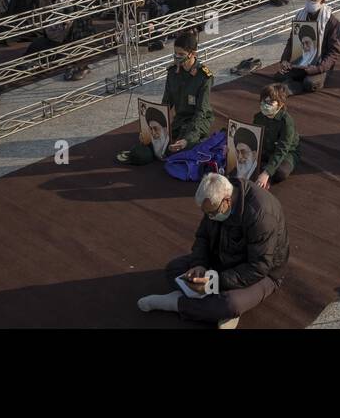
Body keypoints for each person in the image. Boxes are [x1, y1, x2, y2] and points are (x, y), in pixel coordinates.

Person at [138, 172, 290, 328]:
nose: (209, 217)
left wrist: (215, 281)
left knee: (231, 304)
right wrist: (199, 264)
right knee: (173, 270)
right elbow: (203, 236)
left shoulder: (261, 216)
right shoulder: (217, 199)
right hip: (224, 258)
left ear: (226, 201)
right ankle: (217, 306)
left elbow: (258, 267)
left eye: (211, 213)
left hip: (262, 273)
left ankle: (177, 303)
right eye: (206, 213)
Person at [116, 30, 214, 164]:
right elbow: (165, 105)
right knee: (157, 144)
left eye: (181, 54)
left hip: (199, 121)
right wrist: (148, 131)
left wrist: (188, 139)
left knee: (182, 148)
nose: (177, 57)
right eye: (175, 53)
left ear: (193, 54)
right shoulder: (173, 72)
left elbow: (201, 113)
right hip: (180, 118)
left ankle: (199, 141)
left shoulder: (204, 77)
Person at [276, 0, 340, 93]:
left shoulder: (332, 22)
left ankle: (289, 88)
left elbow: (334, 52)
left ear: (323, 0)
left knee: (309, 83)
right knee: (279, 76)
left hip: (320, 64)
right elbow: (292, 41)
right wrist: (285, 60)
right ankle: (291, 83)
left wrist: (318, 69)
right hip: (301, 60)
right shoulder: (300, 16)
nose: (309, 1)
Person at [251, 83, 299, 187]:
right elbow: (254, 136)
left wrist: (266, 172)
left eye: (270, 102)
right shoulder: (258, 117)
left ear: (280, 105)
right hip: (266, 150)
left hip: (286, 153)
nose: (265, 105)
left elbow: (282, 149)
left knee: (282, 172)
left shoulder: (286, 122)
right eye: (263, 101)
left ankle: (266, 175)